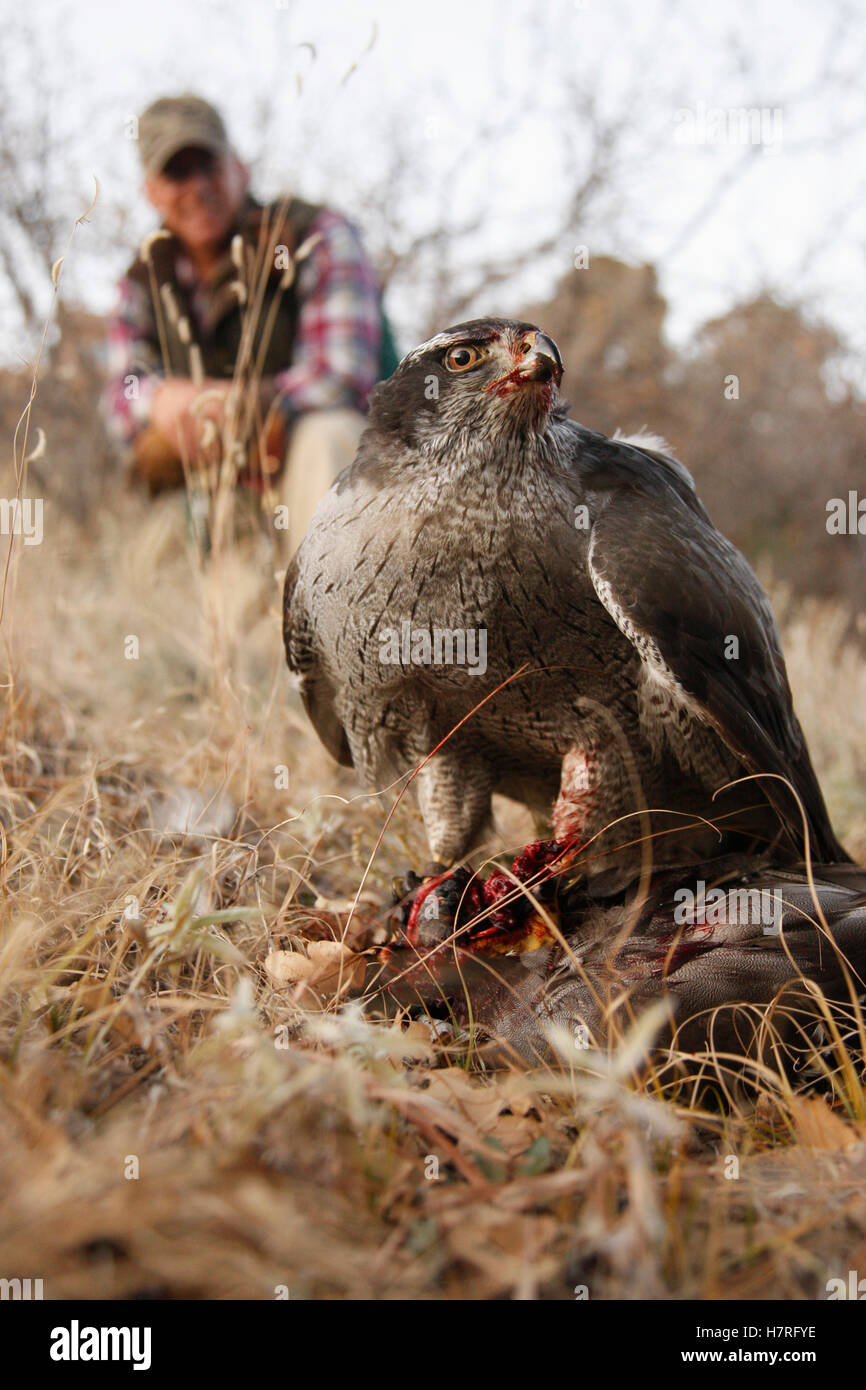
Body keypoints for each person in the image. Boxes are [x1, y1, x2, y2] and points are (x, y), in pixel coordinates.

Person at [104, 93, 397, 553]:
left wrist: (240, 409)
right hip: (225, 493)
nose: (196, 186)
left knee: (330, 437)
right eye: (176, 172)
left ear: (239, 167)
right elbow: (121, 398)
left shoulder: (314, 235)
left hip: (337, 471)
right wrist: (161, 402)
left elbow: (342, 378)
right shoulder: (142, 279)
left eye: (208, 165)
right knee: (153, 544)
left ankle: (338, 609)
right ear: (151, 192)